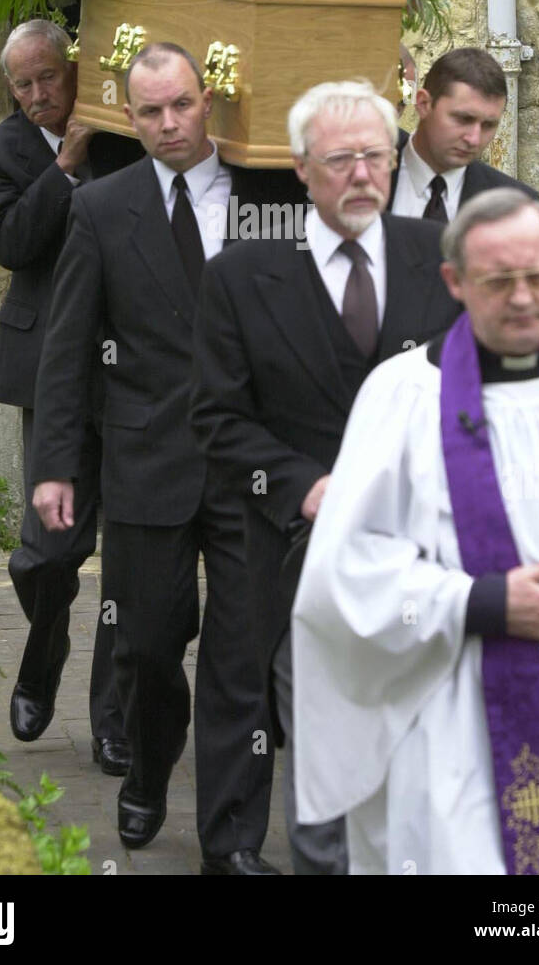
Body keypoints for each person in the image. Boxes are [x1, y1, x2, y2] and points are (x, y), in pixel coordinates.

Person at [292, 189, 539, 875]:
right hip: (459, 716)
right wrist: (477, 602)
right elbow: (345, 571)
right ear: (455, 281)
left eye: (538, 277)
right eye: (497, 281)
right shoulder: (403, 398)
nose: (521, 298)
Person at [30, 41, 305, 874]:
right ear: (127, 114)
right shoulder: (101, 207)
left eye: (182, 104)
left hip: (252, 469)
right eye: (149, 111)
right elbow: (67, 347)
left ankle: (231, 840)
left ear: (209, 100)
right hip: (147, 462)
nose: (169, 123)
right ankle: (148, 769)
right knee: (146, 647)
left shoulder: (272, 195)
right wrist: (55, 465)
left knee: (243, 659)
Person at [190, 80, 461, 874]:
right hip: (297, 558)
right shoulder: (241, 277)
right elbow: (217, 417)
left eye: (375, 156)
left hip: (426, 557)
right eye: (340, 160)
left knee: (426, 757)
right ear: (303, 168)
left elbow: (477, 393)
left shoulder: (442, 259)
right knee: (324, 767)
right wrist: (303, 485)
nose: (362, 174)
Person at [0, 20, 140, 769]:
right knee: (44, 555)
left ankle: (114, 722)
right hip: (52, 373)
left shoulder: (127, 136)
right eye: (24, 84)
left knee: (131, 561)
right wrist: (64, 165)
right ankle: (44, 652)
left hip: (132, 373)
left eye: (49, 77)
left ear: (76, 70)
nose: (39, 93)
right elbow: (12, 245)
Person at [390, 46, 538, 221]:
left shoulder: (517, 208)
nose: (474, 139)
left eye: (488, 125)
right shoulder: (368, 170)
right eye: (463, 119)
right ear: (423, 104)